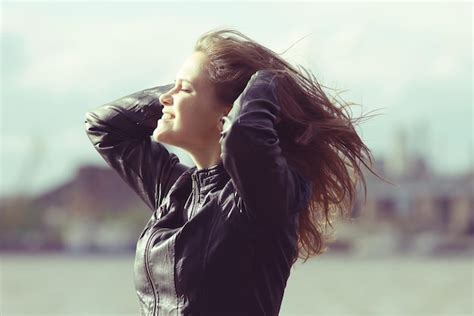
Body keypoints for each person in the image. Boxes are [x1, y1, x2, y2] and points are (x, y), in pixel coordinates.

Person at [84, 28, 386, 316]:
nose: (166, 98)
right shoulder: (176, 191)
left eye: (183, 89)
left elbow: (245, 135)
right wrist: (186, 89)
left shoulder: (268, 196)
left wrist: (269, 77)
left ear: (228, 115)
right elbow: (104, 126)